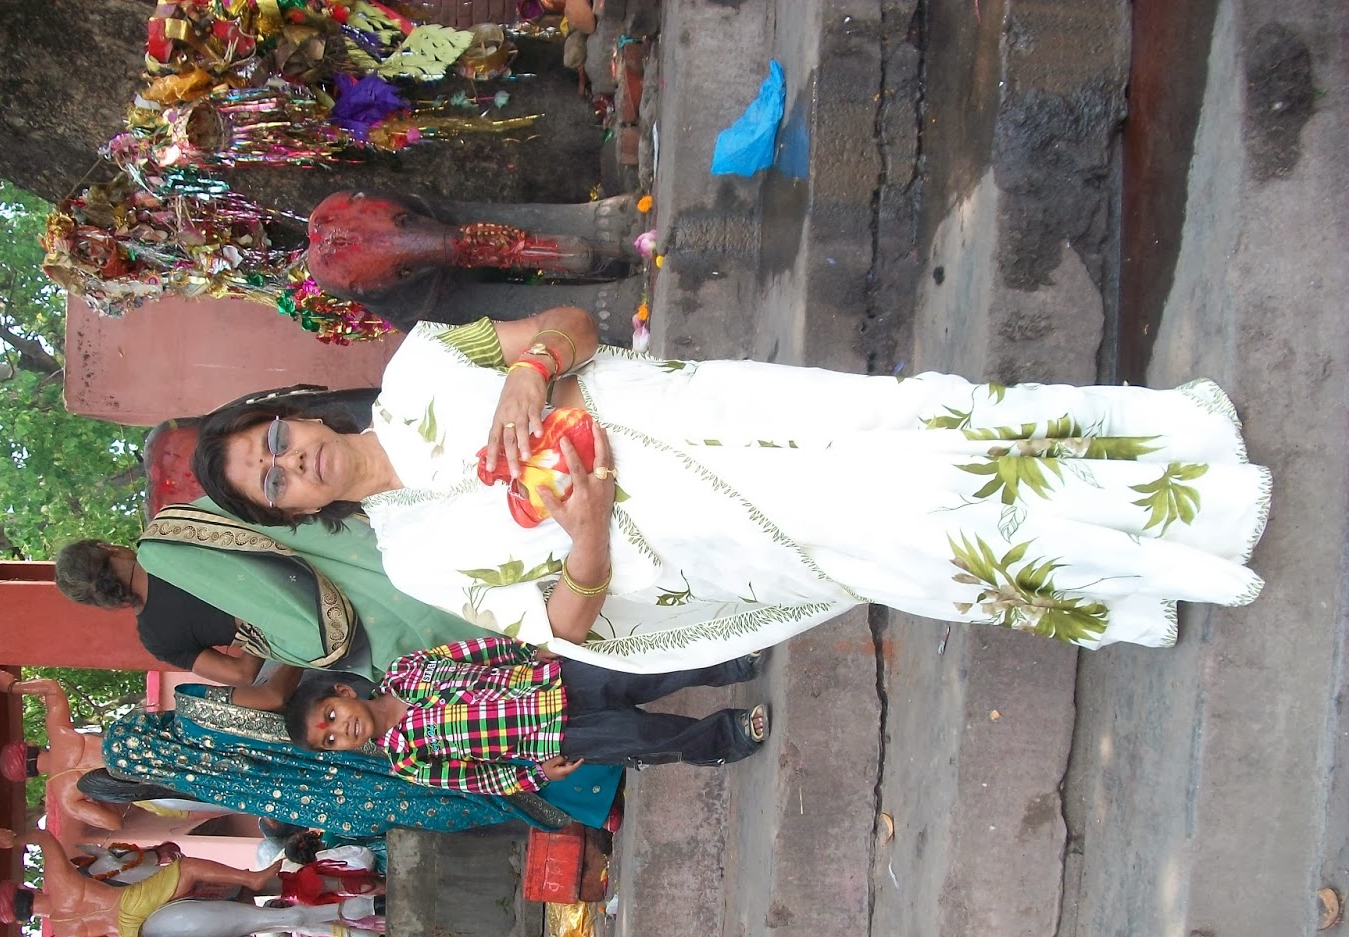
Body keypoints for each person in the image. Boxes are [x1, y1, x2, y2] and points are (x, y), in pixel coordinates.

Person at [188, 306, 1271, 668]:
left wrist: (525, 370)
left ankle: (1166, 462)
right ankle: (1159, 554)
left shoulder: (426, 360)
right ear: (290, 515)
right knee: (912, 533)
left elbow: (572, 331)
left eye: (272, 439)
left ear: (294, 412)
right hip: (703, 544)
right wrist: (590, 535)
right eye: (270, 483)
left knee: (929, 420)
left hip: (727, 414)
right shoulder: (412, 555)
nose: (288, 461)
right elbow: (563, 623)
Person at [101, 676, 619, 836]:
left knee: (460, 784)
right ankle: (600, 758)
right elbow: (275, 700)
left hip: (349, 789)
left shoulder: (200, 782)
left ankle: (591, 803)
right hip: (348, 743)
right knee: (472, 740)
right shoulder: (194, 706)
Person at [284, 636, 767, 796]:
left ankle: (732, 661)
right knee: (646, 735)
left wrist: (529, 649)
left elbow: (477, 653)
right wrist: (536, 776)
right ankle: (729, 737)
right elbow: (480, 781)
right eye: (331, 742)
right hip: (555, 738)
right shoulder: (407, 760)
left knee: (646, 672)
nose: (340, 731)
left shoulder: (407, 668)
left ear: (344, 691)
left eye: (331, 715)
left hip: (555, 681)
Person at [0, 827, 381, 937]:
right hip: (132, 906)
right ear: (26, 888)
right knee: (187, 868)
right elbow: (42, 837)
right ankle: (255, 878)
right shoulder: (62, 884)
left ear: (25, 920)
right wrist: (14, 839)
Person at [0, 669, 231, 832]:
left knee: (201, 807)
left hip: (148, 787)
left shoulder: (66, 797)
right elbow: (51, 688)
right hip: (152, 747)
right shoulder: (60, 736)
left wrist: (100, 794)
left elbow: (113, 823)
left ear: (29, 776)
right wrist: (13, 687)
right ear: (30, 746)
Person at [54, 538, 274, 687]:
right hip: (291, 561)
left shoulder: (155, 639)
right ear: (107, 547)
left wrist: (265, 623)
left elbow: (241, 674)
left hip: (295, 628)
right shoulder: (164, 539)